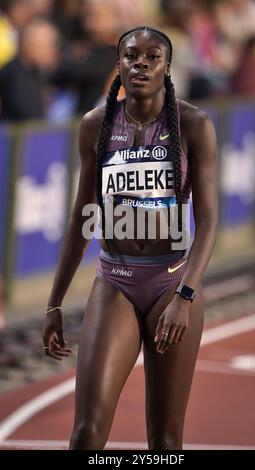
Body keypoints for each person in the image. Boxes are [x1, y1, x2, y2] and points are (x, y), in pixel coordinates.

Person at [42, 26, 218, 450]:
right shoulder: (95, 126)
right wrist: (54, 302)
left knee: (165, 441)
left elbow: (209, 221)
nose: (140, 63)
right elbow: (80, 218)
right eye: (131, 56)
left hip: (172, 283)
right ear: (118, 65)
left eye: (151, 56)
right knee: (86, 435)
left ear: (167, 66)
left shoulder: (194, 123)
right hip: (116, 280)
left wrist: (186, 296)